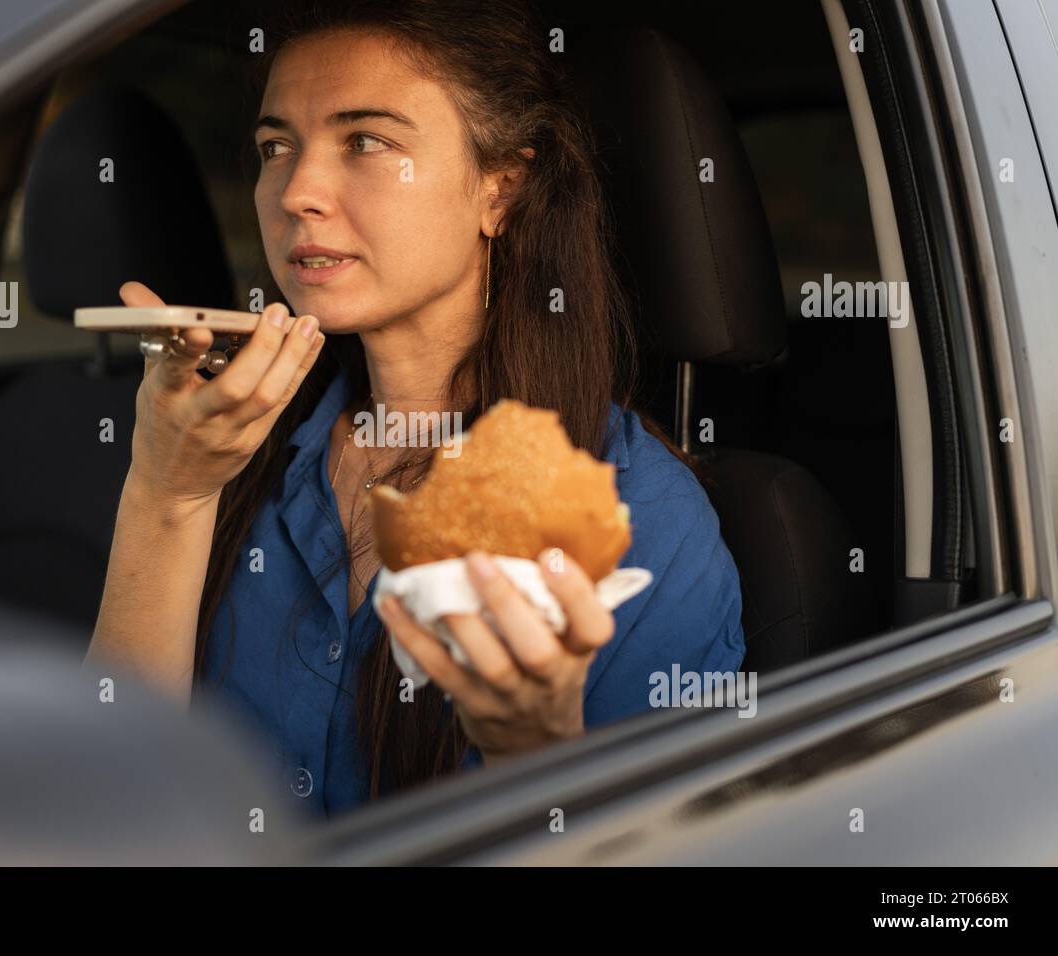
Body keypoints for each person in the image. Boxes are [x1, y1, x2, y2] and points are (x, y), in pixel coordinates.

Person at [87, 0, 745, 818]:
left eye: (366, 141)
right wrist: (166, 494)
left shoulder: (640, 519)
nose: (297, 191)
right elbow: (107, 805)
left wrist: (532, 752)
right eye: (275, 146)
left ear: (500, 190)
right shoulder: (223, 445)